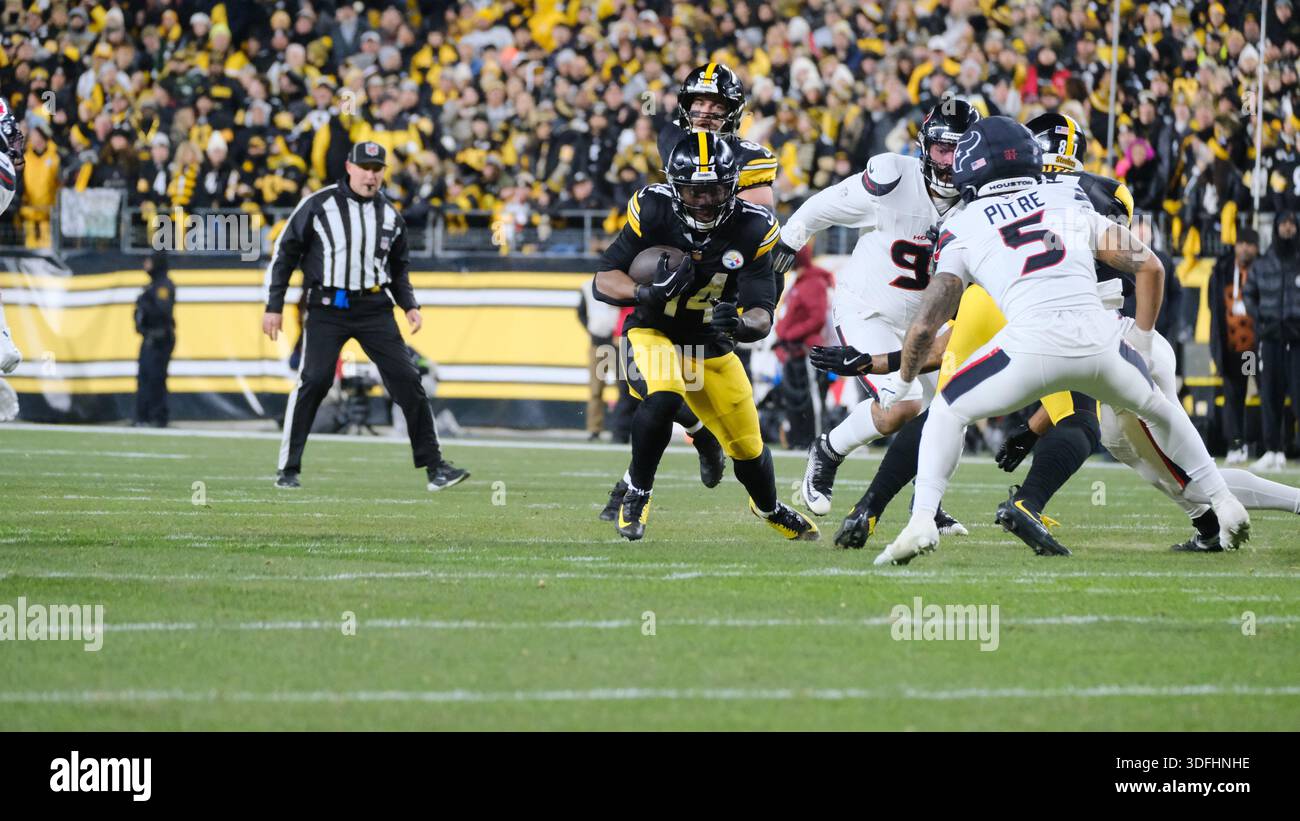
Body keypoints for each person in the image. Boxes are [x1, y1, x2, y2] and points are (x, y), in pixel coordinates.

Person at [877, 116, 1249, 565]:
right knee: (1160, 410)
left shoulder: (964, 222)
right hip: (1102, 345)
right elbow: (1150, 266)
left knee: (948, 411)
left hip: (1030, 348)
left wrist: (901, 382)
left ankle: (921, 522)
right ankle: (1225, 503)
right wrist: (1143, 343)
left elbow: (923, 326)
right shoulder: (1068, 198)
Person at [591, 132, 817, 542]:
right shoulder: (653, 209)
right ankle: (638, 492)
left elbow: (762, 314)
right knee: (663, 395)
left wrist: (739, 323)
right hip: (654, 330)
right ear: (676, 190)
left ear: (732, 187)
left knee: (749, 449)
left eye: (714, 190)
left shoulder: (753, 226)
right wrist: (645, 292)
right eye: (694, 192)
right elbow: (603, 279)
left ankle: (768, 508)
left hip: (711, 344)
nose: (705, 201)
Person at [774, 98, 978, 533]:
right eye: (943, 148)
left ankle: (926, 504)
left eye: (960, 150)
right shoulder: (893, 178)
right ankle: (829, 448)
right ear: (925, 146)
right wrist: (790, 240)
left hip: (930, 320)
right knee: (902, 406)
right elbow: (824, 206)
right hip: (869, 309)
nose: (950, 161)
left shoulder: (980, 200)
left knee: (955, 409)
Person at [599, 63, 777, 519]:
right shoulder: (671, 156)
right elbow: (614, 268)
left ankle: (691, 452)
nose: (705, 112)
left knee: (704, 399)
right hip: (662, 286)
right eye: (698, 104)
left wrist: (743, 305)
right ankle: (661, 466)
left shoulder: (752, 162)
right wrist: (648, 283)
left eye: (717, 106)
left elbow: (746, 224)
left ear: (735, 112)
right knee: (656, 391)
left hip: (718, 287)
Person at [262, 141, 467, 491]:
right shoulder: (319, 204)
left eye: (377, 168)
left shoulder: (390, 215)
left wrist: (409, 305)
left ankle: (436, 468)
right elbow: (285, 253)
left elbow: (398, 269)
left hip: (373, 306)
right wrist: (274, 305)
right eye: (365, 167)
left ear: (384, 172)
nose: (371, 175)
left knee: (408, 379)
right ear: (349, 167)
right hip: (328, 306)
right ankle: (288, 468)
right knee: (313, 381)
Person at [1247, 211, 1300, 470]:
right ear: (1277, 227)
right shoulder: (1263, 263)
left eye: (1292, 224)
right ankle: (1273, 449)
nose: (1288, 228)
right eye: (1284, 224)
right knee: (1270, 394)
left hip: (1297, 341)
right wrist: (1262, 322)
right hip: (1270, 340)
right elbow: (1249, 295)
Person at [1209, 227, 1260, 465]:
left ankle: (1270, 446)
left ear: (1256, 248)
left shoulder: (1260, 270)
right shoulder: (1223, 271)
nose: (1244, 248)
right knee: (1234, 395)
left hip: (1254, 347)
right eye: (1241, 243)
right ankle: (1235, 444)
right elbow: (1214, 307)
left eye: (1249, 244)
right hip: (1232, 348)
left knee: (1265, 393)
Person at [134, 252, 175, 427]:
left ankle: (158, 417)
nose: (145, 263)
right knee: (144, 377)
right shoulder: (151, 286)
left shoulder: (163, 285)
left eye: (149, 260)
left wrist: (145, 303)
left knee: (156, 378)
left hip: (160, 338)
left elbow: (162, 310)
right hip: (149, 337)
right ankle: (142, 416)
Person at [577, 281, 618, 440]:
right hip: (597, 344)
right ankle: (594, 429)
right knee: (595, 389)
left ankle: (621, 428)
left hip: (616, 343)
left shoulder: (620, 282)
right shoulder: (588, 286)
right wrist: (592, 329)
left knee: (625, 388)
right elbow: (580, 312)